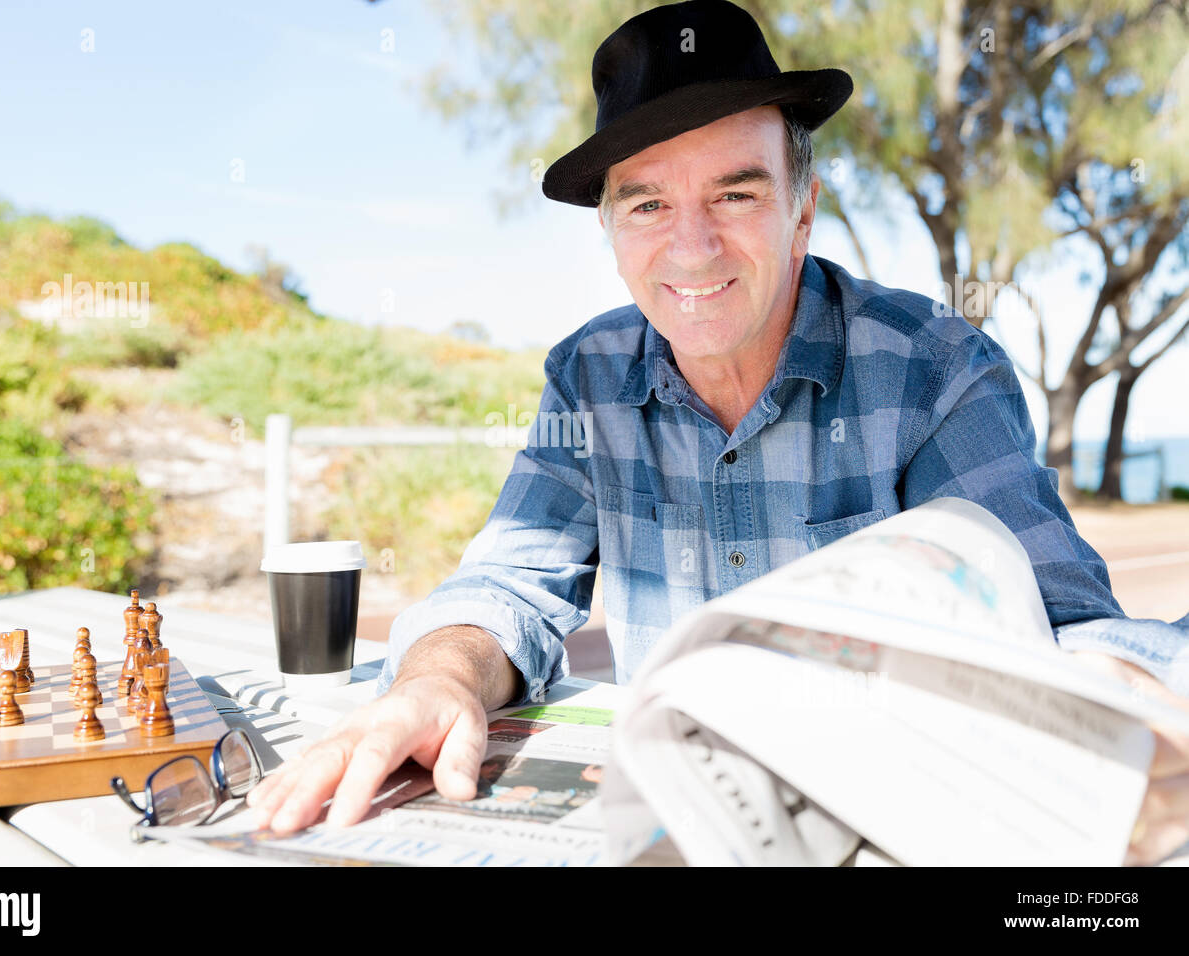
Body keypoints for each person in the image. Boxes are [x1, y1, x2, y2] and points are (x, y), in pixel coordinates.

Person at [248, 0, 1189, 863]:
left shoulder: (935, 369)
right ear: (611, 232)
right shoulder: (589, 372)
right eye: (648, 204)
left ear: (802, 211)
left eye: (736, 194)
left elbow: (1066, 627)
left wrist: (1124, 693)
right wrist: (437, 679)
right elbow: (510, 581)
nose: (690, 247)